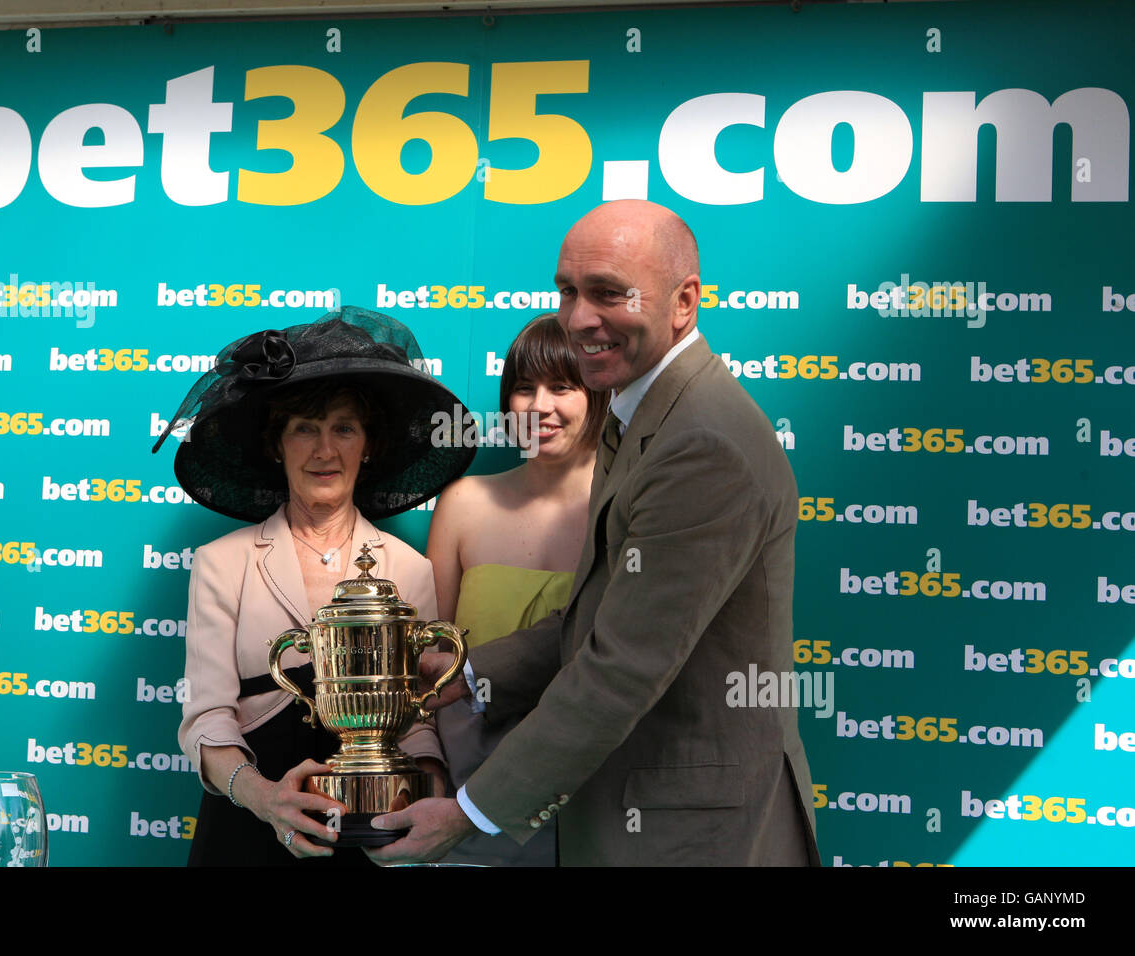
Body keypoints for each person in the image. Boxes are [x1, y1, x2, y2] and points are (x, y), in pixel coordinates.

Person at [367, 200, 819, 866]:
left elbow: (621, 667)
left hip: (689, 836)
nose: (578, 319)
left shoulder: (699, 442)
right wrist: (467, 672)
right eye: (568, 292)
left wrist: (469, 812)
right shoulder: (646, 415)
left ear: (683, 301)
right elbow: (604, 618)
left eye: (608, 293)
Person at [153, 307, 474, 865]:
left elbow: (417, 715)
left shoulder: (409, 568)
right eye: (305, 429)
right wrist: (265, 798)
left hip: (373, 832)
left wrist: (427, 784)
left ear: (368, 445)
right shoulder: (219, 563)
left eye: (343, 428)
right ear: (277, 445)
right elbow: (205, 719)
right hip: (248, 828)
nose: (325, 451)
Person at [427, 315, 608, 866]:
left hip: (593, 789)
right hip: (467, 789)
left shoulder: (625, 509)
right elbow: (428, 657)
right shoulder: (462, 502)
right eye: (524, 388)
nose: (539, 405)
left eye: (562, 386)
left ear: (598, 395)